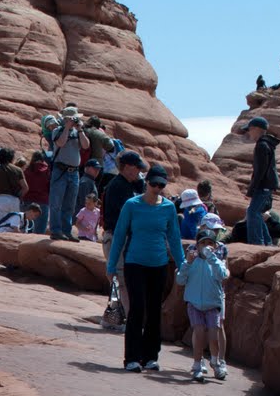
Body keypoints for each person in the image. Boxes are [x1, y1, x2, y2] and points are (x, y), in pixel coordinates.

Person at [106, 163, 184, 372]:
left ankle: (150, 357)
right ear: (146, 182)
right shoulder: (132, 205)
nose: (157, 188)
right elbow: (120, 235)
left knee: (153, 311)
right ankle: (131, 358)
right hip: (134, 263)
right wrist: (111, 265)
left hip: (158, 264)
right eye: (154, 184)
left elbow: (174, 239)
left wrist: (182, 265)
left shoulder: (168, 207)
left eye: (161, 185)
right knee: (137, 309)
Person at [178, 223, 230, 382]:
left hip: (212, 305)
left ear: (215, 246)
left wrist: (213, 258)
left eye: (210, 243)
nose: (206, 246)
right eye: (203, 243)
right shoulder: (191, 261)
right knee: (199, 333)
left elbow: (222, 275)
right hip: (194, 304)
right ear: (197, 245)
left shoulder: (216, 262)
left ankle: (216, 361)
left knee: (213, 336)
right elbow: (180, 280)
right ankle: (197, 365)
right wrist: (187, 263)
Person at [100, 150, 146, 319]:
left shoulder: (130, 184)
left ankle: (116, 314)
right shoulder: (118, 186)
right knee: (120, 280)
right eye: (137, 169)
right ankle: (126, 319)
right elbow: (124, 217)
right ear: (127, 167)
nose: (139, 172)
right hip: (116, 238)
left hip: (125, 238)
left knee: (122, 279)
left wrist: (140, 181)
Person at [47, 104, 90, 240]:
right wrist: (67, 127)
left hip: (74, 172)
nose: (74, 121)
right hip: (61, 171)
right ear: (65, 119)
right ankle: (56, 230)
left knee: (70, 204)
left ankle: (66, 231)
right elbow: (60, 143)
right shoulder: (58, 131)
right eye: (72, 119)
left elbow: (86, 145)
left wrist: (80, 130)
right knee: (56, 202)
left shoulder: (78, 132)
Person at [240, 116, 280, 246]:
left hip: (264, 185)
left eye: (250, 129)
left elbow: (260, 170)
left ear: (257, 129)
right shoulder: (266, 143)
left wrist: (251, 189)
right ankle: (267, 242)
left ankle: (257, 242)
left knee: (253, 212)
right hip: (267, 184)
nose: (248, 132)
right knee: (256, 212)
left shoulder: (262, 145)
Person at [0, 147, 25, 232]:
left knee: (0, 226)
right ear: (11, 158)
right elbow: (25, 187)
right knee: (14, 225)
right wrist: (19, 196)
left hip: (1, 199)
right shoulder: (18, 170)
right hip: (14, 199)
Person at [23, 151, 51, 234]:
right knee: (40, 229)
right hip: (43, 201)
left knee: (26, 227)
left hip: (28, 200)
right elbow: (50, 187)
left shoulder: (27, 170)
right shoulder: (48, 170)